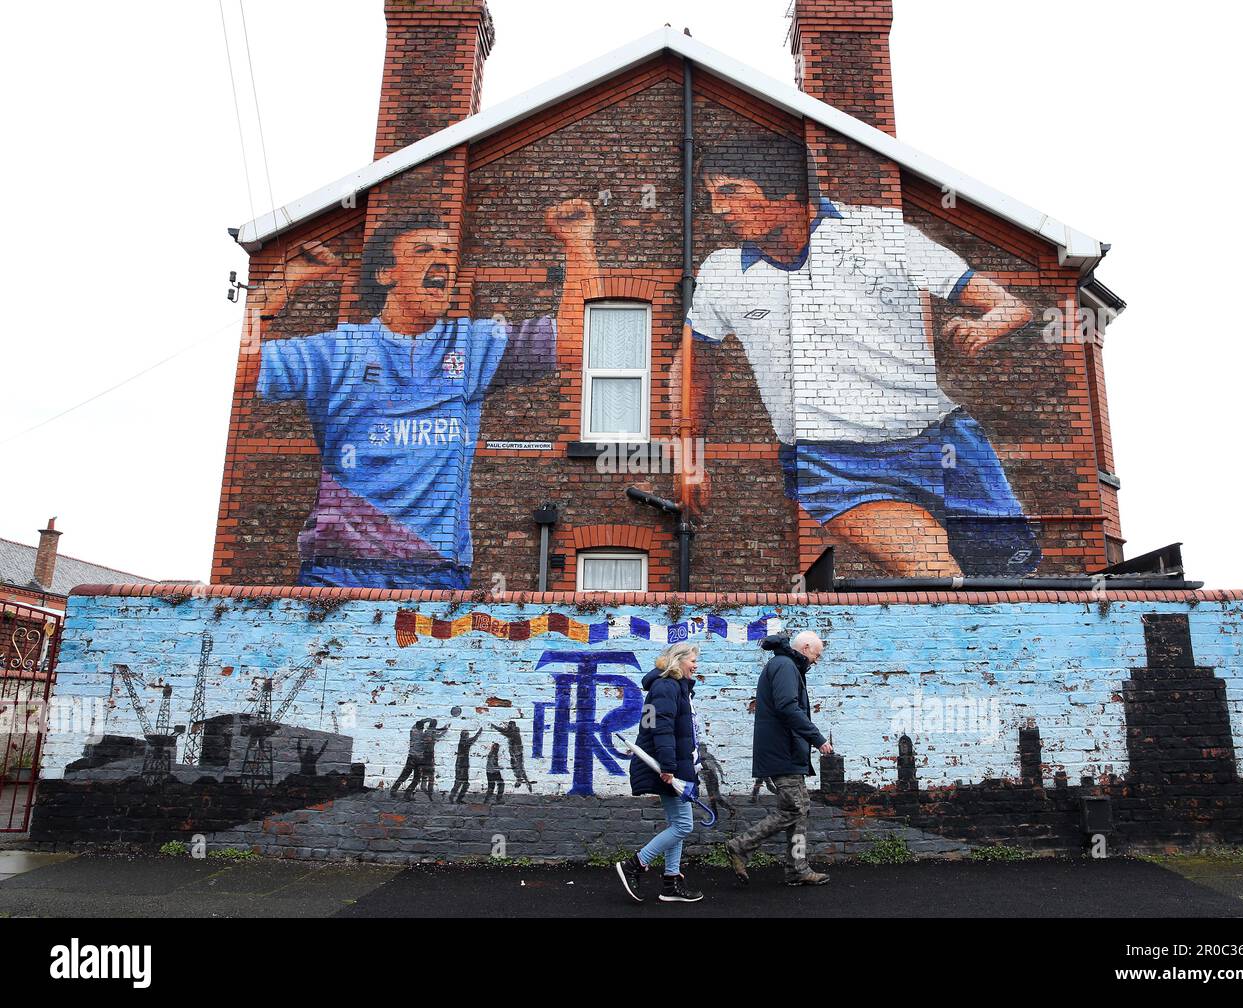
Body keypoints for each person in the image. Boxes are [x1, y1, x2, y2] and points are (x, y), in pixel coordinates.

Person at [676, 134, 1040, 578]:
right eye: (712, 196)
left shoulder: (884, 235)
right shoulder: (721, 273)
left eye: (732, 192)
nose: (719, 209)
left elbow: (1009, 306)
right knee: (938, 578)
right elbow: (693, 366)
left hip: (946, 445)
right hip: (832, 466)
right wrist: (689, 459)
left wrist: (985, 326)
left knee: (1007, 582)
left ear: (788, 190)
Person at [242, 199, 598, 588]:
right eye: (423, 251)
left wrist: (577, 244)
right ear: (386, 273)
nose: (443, 261)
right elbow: (249, 371)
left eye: (448, 252)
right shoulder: (339, 349)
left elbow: (571, 342)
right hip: (336, 571)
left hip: (437, 573)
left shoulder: (472, 344)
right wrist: (279, 288)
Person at [725, 631, 833, 886]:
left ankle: (797, 868)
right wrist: (817, 739)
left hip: (789, 751)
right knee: (794, 808)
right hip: (782, 751)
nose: (816, 661)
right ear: (805, 648)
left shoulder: (786, 665)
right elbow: (787, 707)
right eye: (816, 655)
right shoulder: (784, 666)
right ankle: (741, 845)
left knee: (801, 809)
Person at [614, 643, 705, 904]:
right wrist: (668, 767)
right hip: (669, 766)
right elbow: (660, 729)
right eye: (692, 660)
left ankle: (670, 883)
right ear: (678, 661)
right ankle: (635, 864)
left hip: (675, 764)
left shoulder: (674, 687)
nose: (696, 664)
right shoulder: (666, 687)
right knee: (684, 825)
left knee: (677, 824)